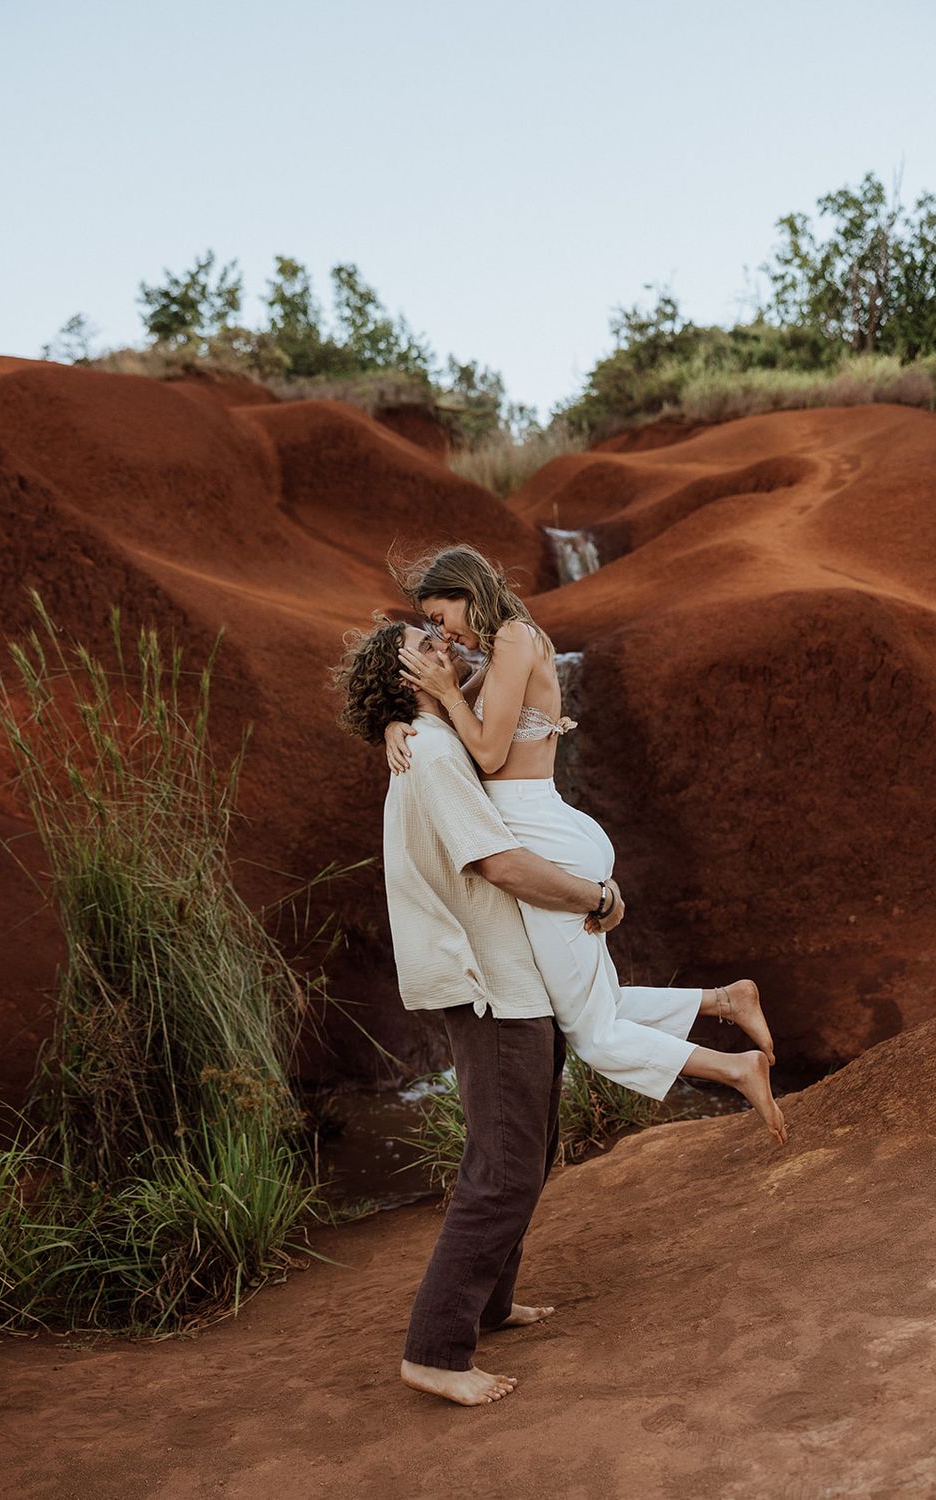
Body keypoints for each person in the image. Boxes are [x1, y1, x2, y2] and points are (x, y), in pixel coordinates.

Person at [385, 543, 788, 1146]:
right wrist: (396, 721)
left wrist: (445, 692)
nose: (443, 634)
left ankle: (735, 1068)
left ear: (467, 592)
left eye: (441, 618)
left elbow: (489, 753)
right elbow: (451, 727)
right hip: (545, 825)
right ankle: (725, 999)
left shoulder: (516, 639)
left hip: (537, 836)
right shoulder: (498, 652)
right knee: (592, 1001)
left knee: (591, 1035)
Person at [333, 616, 629, 1408]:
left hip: (513, 981)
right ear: (404, 683)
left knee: (526, 1154)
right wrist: (596, 897)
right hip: (491, 987)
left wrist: (396, 717)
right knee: (502, 1168)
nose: (444, 646)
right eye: (423, 646)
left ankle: (490, 1304)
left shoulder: (433, 743)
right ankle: (434, 1350)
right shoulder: (430, 753)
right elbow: (498, 862)